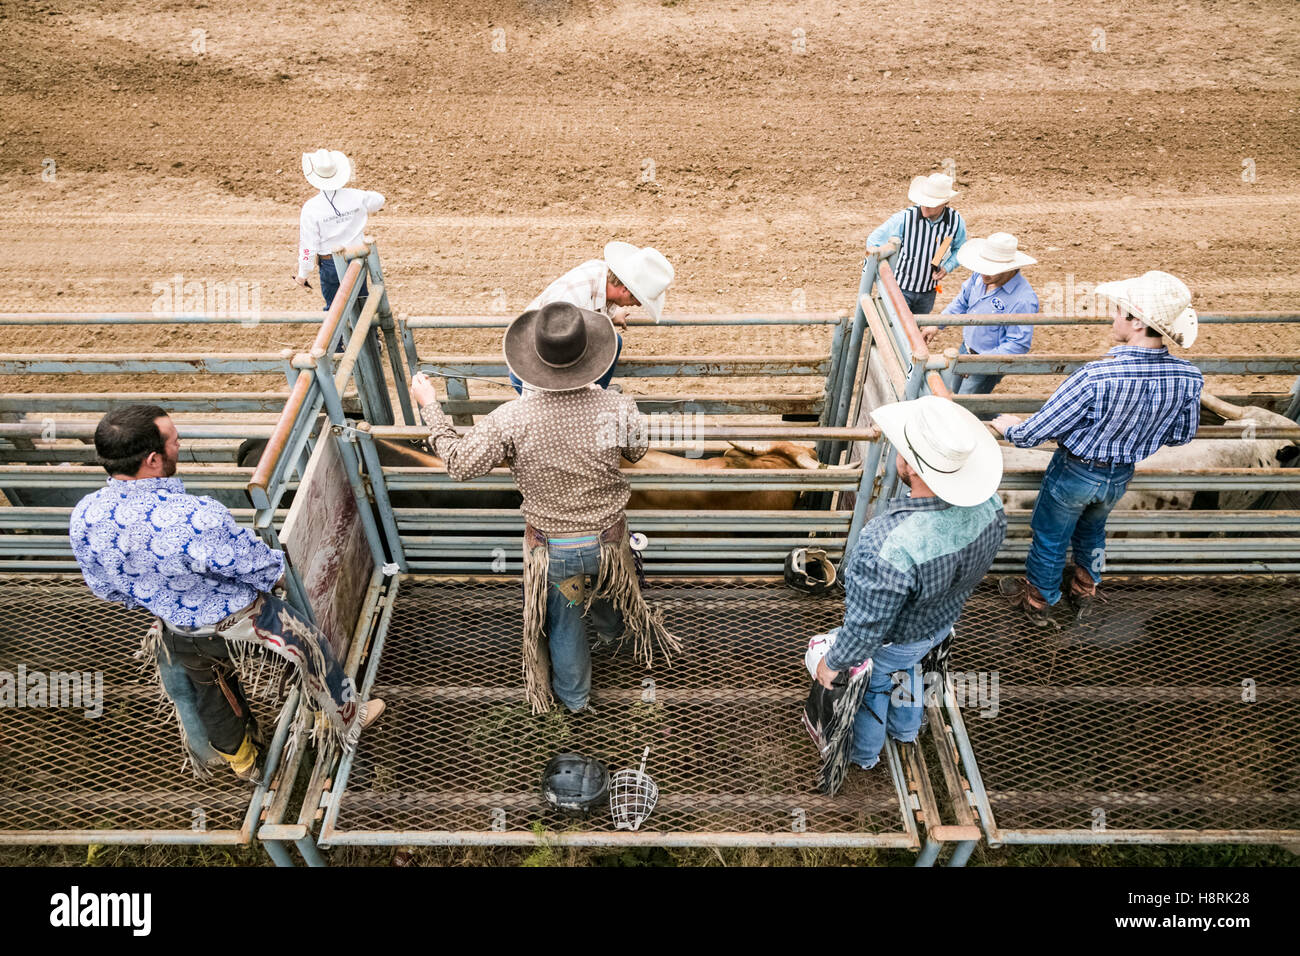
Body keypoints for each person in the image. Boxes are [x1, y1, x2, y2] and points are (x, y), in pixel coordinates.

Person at [69, 405, 383, 783]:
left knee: (212, 693)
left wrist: (161, 599)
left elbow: (104, 587)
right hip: (244, 624)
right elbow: (263, 569)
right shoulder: (196, 516)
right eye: (173, 441)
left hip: (178, 632)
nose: (180, 444)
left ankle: (242, 760)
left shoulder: (85, 515)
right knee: (310, 649)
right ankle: (343, 716)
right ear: (153, 459)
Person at [411, 302, 679, 714]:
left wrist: (430, 404)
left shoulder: (510, 419)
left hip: (556, 553)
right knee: (610, 589)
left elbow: (459, 465)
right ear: (589, 357)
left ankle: (575, 701)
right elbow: (638, 450)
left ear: (531, 362)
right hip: (609, 543)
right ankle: (615, 639)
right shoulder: (615, 407)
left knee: (566, 619)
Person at [991, 271, 1203, 627]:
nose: (1114, 316)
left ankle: (1039, 600)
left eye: (1120, 310)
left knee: (1050, 535)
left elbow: (1033, 434)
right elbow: (1181, 435)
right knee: (1093, 529)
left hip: (1075, 471)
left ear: (1136, 321)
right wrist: (1139, 432)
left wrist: (1008, 425)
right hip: (1120, 474)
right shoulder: (1188, 376)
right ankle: (1085, 587)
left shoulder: (1095, 376)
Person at [815, 396, 1006, 771]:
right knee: (913, 670)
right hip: (941, 623)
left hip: (897, 639)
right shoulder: (990, 506)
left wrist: (833, 663)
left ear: (911, 468)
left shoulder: (886, 545)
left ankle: (864, 755)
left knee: (875, 686)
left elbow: (867, 627)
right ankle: (906, 731)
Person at [510, 241, 674, 393]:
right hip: (536, 367)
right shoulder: (569, 300)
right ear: (625, 290)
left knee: (613, 341)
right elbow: (558, 358)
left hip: (557, 355)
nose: (638, 305)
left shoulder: (601, 275)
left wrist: (611, 315)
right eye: (638, 299)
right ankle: (585, 404)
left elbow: (593, 308)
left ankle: (587, 400)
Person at [924, 232, 1038, 396]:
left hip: (987, 363)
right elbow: (962, 301)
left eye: (991, 269)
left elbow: (1018, 344)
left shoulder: (1023, 300)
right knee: (952, 395)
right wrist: (937, 323)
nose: (984, 272)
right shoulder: (981, 275)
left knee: (965, 405)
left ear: (1008, 269)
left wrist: (979, 362)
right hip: (966, 349)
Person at [864, 173, 966, 315]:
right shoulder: (905, 218)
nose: (925, 206)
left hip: (928, 292)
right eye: (924, 201)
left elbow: (960, 248)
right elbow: (874, 240)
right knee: (893, 328)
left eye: (931, 203)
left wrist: (947, 267)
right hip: (900, 289)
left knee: (913, 332)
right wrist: (883, 276)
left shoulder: (955, 221)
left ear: (945, 203)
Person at [294, 149, 385, 310]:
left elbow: (308, 247)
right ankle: (370, 335)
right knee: (360, 299)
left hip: (330, 262)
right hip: (356, 255)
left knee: (335, 307)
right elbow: (379, 200)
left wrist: (303, 274)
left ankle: (342, 335)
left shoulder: (311, 208)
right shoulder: (357, 196)